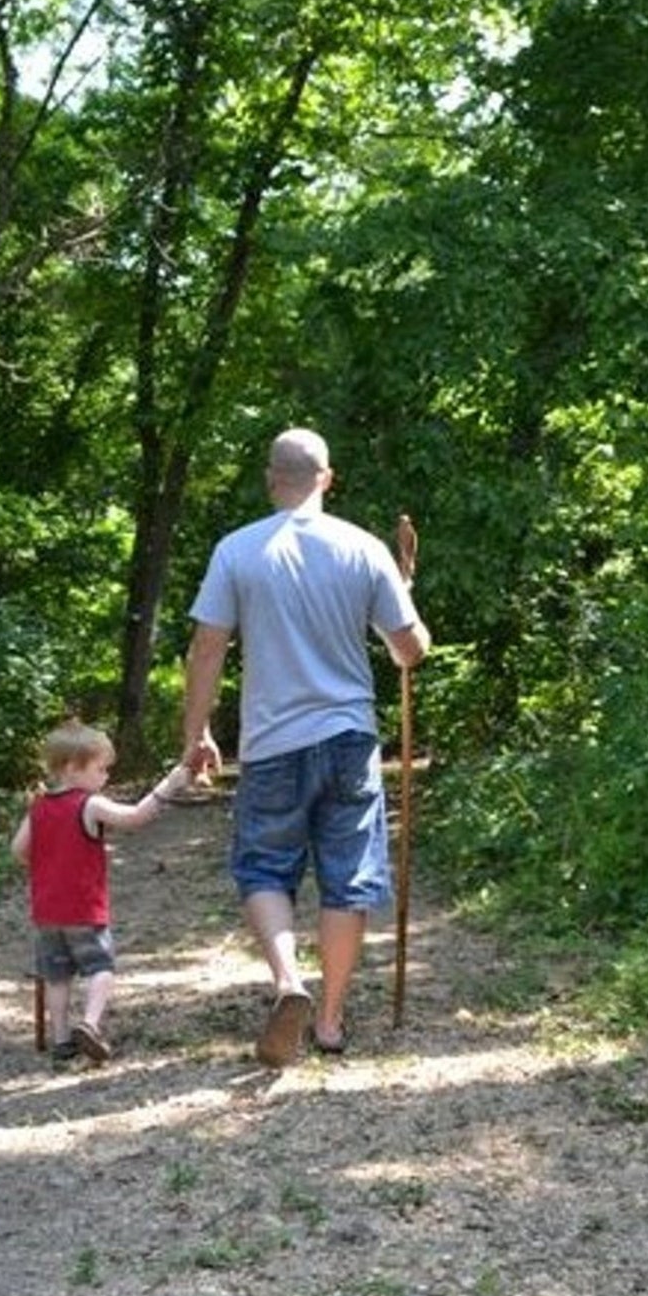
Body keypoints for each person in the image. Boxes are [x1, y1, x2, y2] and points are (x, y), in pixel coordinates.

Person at [182, 426, 430, 1066]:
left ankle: (289, 981)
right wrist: (404, 599)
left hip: (271, 741)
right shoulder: (363, 548)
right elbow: (409, 651)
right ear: (328, 478)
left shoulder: (237, 550)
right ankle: (329, 1020)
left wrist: (197, 734)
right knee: (348, 877)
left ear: (272, 479)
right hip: (349, 738)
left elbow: (207, 647)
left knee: (265, 868)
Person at [10, 721, 189, 1065]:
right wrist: (170, 784)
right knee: (101, 967)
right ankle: (90, 1024)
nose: (106, 776)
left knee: (56, 976)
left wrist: (48, 864)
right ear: (72, 767)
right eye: (101, 769)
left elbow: (19, 850)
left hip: (47, 912)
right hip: (84, 909)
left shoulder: (39, 807)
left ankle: (61, 1039)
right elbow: (135, 817)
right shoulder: (89, 804)